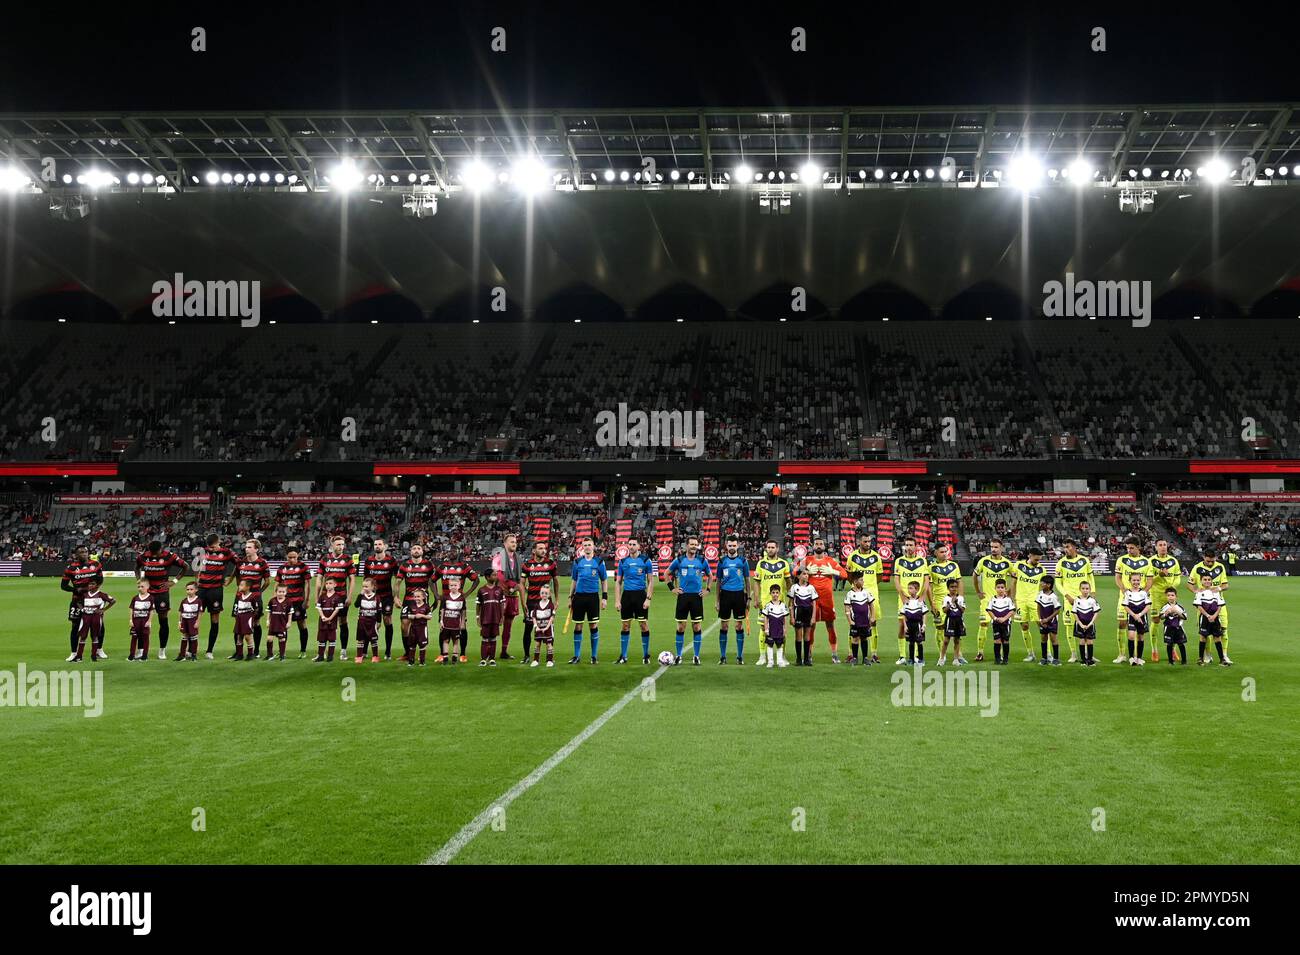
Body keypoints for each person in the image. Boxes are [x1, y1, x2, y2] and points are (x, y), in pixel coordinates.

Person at [136, 540, 188, 660]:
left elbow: (186, 566)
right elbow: (136, 567)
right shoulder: (144, 556)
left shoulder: (169, 556)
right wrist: (139, 579)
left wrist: (173, 581)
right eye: (152, 553)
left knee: (163, 621)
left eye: (156, 553)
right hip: (147, 593)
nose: (154, 556)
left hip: (162, 593)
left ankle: (162, 650)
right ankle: (141, 650)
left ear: (161, 550)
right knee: (141, 622)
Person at [803, 537, 847, 663]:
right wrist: (806, 570)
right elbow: (795, 571)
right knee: (811, 626)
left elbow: (844, 574)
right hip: (811, 600)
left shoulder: (830, 561)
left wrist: (832, 571)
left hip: (827, 599)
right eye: (816, 543)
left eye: (821, 543)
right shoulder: (807, 560)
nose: (818, 545)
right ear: (813, 546)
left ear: (824, 546)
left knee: (830, 626)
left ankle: (834, 654)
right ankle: (809, 655)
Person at [666, 536, 709, 665]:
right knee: (681, 627)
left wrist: (708, 590)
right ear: (686, 545)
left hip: (696, 597)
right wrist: (672, 589)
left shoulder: (702, 560)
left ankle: (696, 656)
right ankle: (679, 656)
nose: (694, 546)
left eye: (696, 544)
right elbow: (666, 573)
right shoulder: (679, 560)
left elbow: (711, 575)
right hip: (683, 597)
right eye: (691, 544)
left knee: (696, 626)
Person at [197, 534, 238, 660]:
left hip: (215, 590)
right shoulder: (203, 551)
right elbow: (198, 567)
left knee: (214, 620)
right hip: (202, 589)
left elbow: (239, 564)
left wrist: (231, 578)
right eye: (210, 547)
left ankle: (209, 651)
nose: (212, 549)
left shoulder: (227, 553)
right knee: (194, 617)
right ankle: (191, 649)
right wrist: (197, 580)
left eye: (213, 547)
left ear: (218, 542)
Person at [844, 534, 883, 662]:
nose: (867, 543)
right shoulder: (852, 557)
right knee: (853, 623)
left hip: (872, 593)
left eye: (869, 541)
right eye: (865, 541)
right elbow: (849, 575)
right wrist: (856, 587)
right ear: (859, 542)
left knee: (873, 622)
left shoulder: (876, 557)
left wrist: (869, 588)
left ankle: (874, 653)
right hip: (856, 595)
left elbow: (879, 577)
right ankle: (851, 654)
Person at [615, 538, 655, 664]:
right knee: (625, 625)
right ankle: (623, 656)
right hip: (626, 596)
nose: (631, 546)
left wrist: (648, 598)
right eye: (630, 544)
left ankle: (645, 656)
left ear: (639, 546)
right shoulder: (623, 562)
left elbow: (651, 581)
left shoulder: (645, 561)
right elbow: (618, 582)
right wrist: (617, 600)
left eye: (634, 544)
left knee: (643, 625)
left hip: (640, 596)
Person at [1113, 537, 1152, 664]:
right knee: (1122, 624)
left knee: (1139, 628)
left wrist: (1142, 594)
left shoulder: (1146, 562)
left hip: (1140, 601)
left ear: (1138, 547)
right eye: (1127, 548)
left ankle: (1138, 656)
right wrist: (1124, 590)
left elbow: (1150, 580)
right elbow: (1118, 578)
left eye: (1131, 548)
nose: (1129, 550)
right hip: (1124, 599)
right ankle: (1122, 654)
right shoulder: (1122, 559)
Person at [972, 539, 1012, 663]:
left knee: (1001, 627)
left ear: (1002, 548)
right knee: (983, 624)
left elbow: (1015, 578)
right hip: (986, 600)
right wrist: (978, 591)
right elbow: (975, 575)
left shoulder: (1007, 563)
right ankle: (980, 652)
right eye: (992, 547)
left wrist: (1009, 593)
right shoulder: (984, 561)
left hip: (1001, 603)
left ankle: (1000, 655)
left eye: (996, 547)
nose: (993, 549)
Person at [1054, 540, 1094, 664]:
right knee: (1069, 626)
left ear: (1074, 547)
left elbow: (1090, 577)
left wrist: (1092, 592)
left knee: (1087, 626)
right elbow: (1058, 582)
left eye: (1068, 547)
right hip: (1069, 601)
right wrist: (1067, 596)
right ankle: (1073, 653)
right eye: (1064, 547)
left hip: (1084, 600)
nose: (1065, 549)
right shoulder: (1061, 563)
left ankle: (1088, 654)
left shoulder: (1084, 561)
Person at [359, 539, 399, 660]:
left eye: (380, 544)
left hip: (386, 596)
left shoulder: (391, 561)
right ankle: (365, 650)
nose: (377, 546)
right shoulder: (368, 561)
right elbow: (366, 579)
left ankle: (388, 651)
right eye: (375, 544)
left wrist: (396, 596)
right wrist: (364, 591)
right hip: (372, 596)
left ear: (385, 546)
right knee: (369, 621)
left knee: (387, 620)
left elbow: (398, 579)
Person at [520, 542, 560, 663]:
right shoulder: (527, 565)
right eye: (540, 548)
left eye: (545, 548)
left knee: (549, 628)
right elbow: (521, 584)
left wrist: (557, 599)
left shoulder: (551, 564)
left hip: (547, 603)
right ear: (534, 550)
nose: (544, 550)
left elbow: (556, 581)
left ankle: (549, 657)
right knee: (528, 628)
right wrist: (523, 602)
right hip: (532, 602)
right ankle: (527, 656)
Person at [1186, 549, 1231, 657]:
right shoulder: (1197, 568)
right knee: (1204, 633)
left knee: (1223, 629)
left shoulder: (1220, 567)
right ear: (1203, 557)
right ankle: (1207, 655)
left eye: (1212, 561)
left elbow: (1226, 585)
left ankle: (1224, 655)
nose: (1210, 563)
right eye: (1208, 561)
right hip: (1203, 606)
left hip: (1218, 604)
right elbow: (1189, 584)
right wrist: (1195, 591)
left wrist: (1219, 588)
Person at [61, 545, 104, 658]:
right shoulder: (70, 568)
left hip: (94, 600)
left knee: (99, 625)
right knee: (75, 626)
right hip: (77, 600)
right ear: (76, 554)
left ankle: (99, 650)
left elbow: (101, 580)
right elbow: (63, 586)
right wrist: (75, 589)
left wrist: (91, 591)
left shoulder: (96, 564)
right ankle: (74, 653)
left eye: (85, 551)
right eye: (81, 552)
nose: (84, 554)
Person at [714, 534, 751, 665]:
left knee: (738, 625)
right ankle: (723, 657)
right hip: (725, 596)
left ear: (738, 546)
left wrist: (749, 598)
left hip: (739, 595)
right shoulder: (721, 561)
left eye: (734, 545)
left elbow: (747, 579)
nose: (732, 547)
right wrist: (717, 600)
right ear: (726, 546)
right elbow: (718, 581)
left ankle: (739, 657)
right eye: (730, 545)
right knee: (724, 626)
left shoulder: (743, 561)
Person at [893, 538, 930, 665]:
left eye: (911, 545)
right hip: (904, 599)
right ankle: (902, 655)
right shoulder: (899, 561)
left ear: (915, 547)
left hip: (918, 599)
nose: (909, 547)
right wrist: (902, 596)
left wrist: (923, 597)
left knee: (917, 627)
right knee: (903, 626)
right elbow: (896, 580)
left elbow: (926, 581)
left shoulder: (922, 561)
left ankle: (915, 656)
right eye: (907, 545)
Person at [318, 536, 356, 658]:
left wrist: (349, 596)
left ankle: (343, 650)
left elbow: (352, 579)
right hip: (326, 597)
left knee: (343, 621)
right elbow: (319, 578)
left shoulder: (348, 559)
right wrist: (318, 595)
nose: (341, 547)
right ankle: (323, 651)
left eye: (342, 544)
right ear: (332, 545)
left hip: (341, 596)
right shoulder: (325, 559)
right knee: (325, 621)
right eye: (338, 544)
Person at [234, 540, 271, 658]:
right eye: (246, 547)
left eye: (249, 547)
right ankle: (238, 652)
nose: (246, 549)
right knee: (238, 622)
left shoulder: (262, 563)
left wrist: (259, 592)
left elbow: (267, 581)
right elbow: (238, 578)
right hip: (241, 598)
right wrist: (240, 590)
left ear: (256, 549)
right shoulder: (241, 562)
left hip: (255, 597)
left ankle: (256, 651)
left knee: (256, 622)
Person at [276, 546, 314, 659]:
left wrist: (307, 600)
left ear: (298, 555)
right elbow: (277, 584)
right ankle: (282, 651)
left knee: (301, 625)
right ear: (286, 556)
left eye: (294, 557)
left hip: (298, 601)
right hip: (284, 601)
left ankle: (303, 650)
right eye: (289, 557)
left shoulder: (303, 567)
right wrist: (275, 599)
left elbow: (307, 584)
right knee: (283, 626)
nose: (292, 559)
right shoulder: (282, 568)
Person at [1011, 547, 1046, 662]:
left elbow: (1045, 587)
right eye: (1036, 560)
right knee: (1024, 626)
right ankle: (1030, 653)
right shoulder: (1019, 566)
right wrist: (1013, 600)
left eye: (1039, 560)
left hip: (1035, 602)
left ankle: (1048, 654)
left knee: (1042, 626)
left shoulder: (1042, 570)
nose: (1038, 562)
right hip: (1020, 601)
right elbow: (1014, 583)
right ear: (1029, 556)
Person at [491, 533, 523, 659]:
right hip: (501, 595)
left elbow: (521, 577)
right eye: (511, 542)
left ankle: (504, 651)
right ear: (505, 544)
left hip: (513, 595)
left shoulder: (518, 559)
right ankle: (489, 651)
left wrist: (517, 586)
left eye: (515, 541)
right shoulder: (499, 557)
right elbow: (498, 575)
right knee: (495, 623)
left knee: (508, 625)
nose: (514, 543)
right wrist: (512, 585)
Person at [72, 581, 116, 662]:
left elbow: (113, 601)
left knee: (94, 636)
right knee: (83, 636)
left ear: (97, 586)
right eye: (89, 584)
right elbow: (78, 602)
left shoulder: (102, 595)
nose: (90, 586)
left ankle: (94, 656)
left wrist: (103, 610)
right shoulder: (85, 595)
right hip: (85, 617)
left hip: (96, 617)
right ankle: (79, 657)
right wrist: (82, 609)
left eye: (92, 584)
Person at [1193, 573, 1230, 666]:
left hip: (1215, 618)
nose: (1207, 581)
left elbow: (1220, 605)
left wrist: (1214, 616)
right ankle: (1200, 658)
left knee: (1217, 638)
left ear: (1211, 581)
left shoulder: (1216, 591)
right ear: (1201, 581)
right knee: (1203, 637)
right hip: (1205, 618)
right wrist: (1207, 615)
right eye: (1205, 579)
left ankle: (1222, 659)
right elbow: (1199, 606)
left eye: (1209, 579)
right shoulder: (1199, 592)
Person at [843, 572, 876, 666]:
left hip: (865, 621)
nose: (863, 581)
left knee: (864, 638)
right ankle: (854, 658)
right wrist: (850, 621)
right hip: (855, 621)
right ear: (855, 581)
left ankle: (865, 658)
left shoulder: (866, 593)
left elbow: (871, 605)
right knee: (855, 639)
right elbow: (847, 608)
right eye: (861, 580)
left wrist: (872, 616)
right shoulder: (849, 594)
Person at [1122, 572, 1152, 667]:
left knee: (1140, 637)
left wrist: (1139, 615)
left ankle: (1139, 658)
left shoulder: (1144, 593)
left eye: (1138, 580)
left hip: (1142, 617)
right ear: (1130, 581)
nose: (1136, 582)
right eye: (1134, 580)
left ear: (1140, 581)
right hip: (1131, 617)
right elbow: (1126, 606)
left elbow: (1148, 606)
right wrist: (1134, 615)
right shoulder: (1127, 593)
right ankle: (1131, 658)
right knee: (1131, 636)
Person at [314, 577, 347, 662]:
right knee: (321, 639)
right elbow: (318, 607)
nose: (328, 585)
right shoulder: (322, 596)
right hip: (322, 621)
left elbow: (337, 609)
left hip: (332, 621)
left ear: (335, 585)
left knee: (332, 639)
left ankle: (330, 656)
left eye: (330, 583)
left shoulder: (337, 597)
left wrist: (330, 618)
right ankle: (320, 656)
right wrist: (323, 617)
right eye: (326, 583)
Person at [476, 570, 506, 666]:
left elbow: (502, 604)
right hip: (485, 618)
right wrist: (477, 617)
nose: (496, 577)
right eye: (494, 575)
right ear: (487, 577)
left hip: (496, 618)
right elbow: (478, 605)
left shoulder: (499, 590)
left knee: (493, 638)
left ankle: (492, 659)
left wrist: (502, 616)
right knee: (485, 639)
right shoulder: (481, 590)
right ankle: (483, 659)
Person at [437, 579, 468, 665]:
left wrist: (462, 623)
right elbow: (442, 610)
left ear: (459, 586)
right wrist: (441, 621)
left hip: (456, 624)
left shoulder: (462, 598)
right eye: (451, 585)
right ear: (449, 586)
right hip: (446, 623)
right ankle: (445, 657)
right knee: (445, 640)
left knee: (456, 641)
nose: (453, 587)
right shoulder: (445, 597)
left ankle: (454, 657)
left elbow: (463, 611)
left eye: (455, 585)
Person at [985, 579, 1016, 665]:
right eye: (998, 587)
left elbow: (1012, 611)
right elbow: (989, 610)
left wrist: (1004, 618)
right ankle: (997, 658)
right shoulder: (992, 600)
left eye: (1002, 587)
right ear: (995, 588)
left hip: (1006, 624)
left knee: (1005, 640)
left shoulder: (1008, 600)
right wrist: (995, 618)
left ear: (1005, 589)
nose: (1000, 589)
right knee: (997, 641)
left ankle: (1005, 658)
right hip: (996, 624)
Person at [759, 584, 790, 669]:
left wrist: (785, 630)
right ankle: (770, 661)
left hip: (780, 629)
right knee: (770, 645)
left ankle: (780, 661)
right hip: (771, 629)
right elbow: (765, 618)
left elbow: (785, 619)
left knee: (779, 645)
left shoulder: (783, 606)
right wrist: (766, 629)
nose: (775, 594)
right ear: (770, 593)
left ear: (779, 593)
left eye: (777, 592)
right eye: (773, 592)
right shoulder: (768, 606)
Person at [1034, 574, 1063, 666]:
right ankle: (1044, 658)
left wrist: (1048, 619)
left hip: (1052, 621)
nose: (1041, 584)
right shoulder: (1040, 594)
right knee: (1043, 638)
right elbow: (1038, 607)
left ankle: (1056, 659)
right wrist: (1040, 619)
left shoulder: (1053, 596)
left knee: (1053, 638)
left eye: (1043, 583)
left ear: (1049, 585)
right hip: (1043, 621)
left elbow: (1057, 610)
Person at [353, 577, 383, 663]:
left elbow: (379, 611)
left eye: (366, 586)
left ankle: (375, 656)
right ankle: (359, 656)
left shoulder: (377, 597)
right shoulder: (361, 596)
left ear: (373, 587)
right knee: (360, 639)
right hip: (362, 621)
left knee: (373, 639)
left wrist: (379, 622)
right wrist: (359, 595)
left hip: (372, 621)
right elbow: (356, 605)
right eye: (363, 586)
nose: (364, 588)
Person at [1071, 580, 1101, 667]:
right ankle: (1083, 660)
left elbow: (1096, 612)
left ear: (1090, 589)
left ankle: (1090, 660)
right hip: (1080, 624)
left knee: (1090, 641)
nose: (1085, 590)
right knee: (1082, 641)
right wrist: (1080, 623)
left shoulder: (1092, 600)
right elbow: (1074, 612)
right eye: (1083, 588)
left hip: (1090, 624)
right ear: (1080, 589)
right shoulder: (1077, 600)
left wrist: (1091, 623)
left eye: (1087, 588)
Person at [938, 578, 967, 667]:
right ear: (948, 588)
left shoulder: (961, 598)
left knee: (957, 640)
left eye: (955, 587)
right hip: (950, 620)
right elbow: (944, 610)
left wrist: (957, 603)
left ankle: (956, 659)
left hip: (958, 620)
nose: (954, 589)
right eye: (952, 587)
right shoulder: (946, 598)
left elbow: (962, 610)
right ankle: (941, 658)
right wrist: (950, 603)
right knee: (946, 640)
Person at [126, 579, 157, 662]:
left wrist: (149, 621)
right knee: (134, 637)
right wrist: (131, 620)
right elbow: (131, 609)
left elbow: (151, 611)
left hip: (145, 621)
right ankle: (131, 655)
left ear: (147, 587)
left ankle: (144, 656)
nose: (140, 588)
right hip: (136, 621)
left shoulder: (151, 598)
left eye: (142, 586)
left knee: (145, 638)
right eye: (138, 587)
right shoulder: (135, 598)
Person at [1156, 587, 1188, 665]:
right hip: (1168, 628)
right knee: (1169, 644)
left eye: (1172, 595)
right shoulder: (1165, 607)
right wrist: (1166, 613)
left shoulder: (1180, 607)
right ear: (1166, 597)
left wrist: (1177, 612)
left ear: (1176, 596)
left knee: (1181, 643)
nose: (1170, 597)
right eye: (1169, 595)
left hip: (1178, 628)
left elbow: (1185, 617)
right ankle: (1171, 661)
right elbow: (1161, 617)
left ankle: (1184, 661)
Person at [899, 581, 929, 666]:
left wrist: (924, 624)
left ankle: (921, 659)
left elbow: (925, 614)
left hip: (918, 624)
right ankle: (911, 659)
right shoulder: (906, 601)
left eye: (911, 588)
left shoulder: (920, 601)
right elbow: (904, 615)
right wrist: (905, 626)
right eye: (908, 588)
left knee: (919, 642)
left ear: (917, 590)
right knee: (911, 642)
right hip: (909, 624)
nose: (909, 590)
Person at [529, 584, 558, 668]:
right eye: (542, 593)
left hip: (547, 628)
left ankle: (550, 660)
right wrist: (536, 626)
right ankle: (535, 660)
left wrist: (547, 627)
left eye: (546, 593)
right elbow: (534, 616)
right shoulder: (537, 605)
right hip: (539, 629)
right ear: (540, 594)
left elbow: (552, 618)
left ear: (549, 594)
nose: (544, 595)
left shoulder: (550, 605)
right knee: (537, 644)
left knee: (549, 644)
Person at [263, 584, 292, 661]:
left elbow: (290, 613)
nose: (281, 593)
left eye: (283, 592)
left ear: (286, 592)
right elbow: (269, 611)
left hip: (282, 624)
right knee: (269, 639)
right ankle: (269, 655)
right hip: (273, 623)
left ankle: (282, 656)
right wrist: (267, 620)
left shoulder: (288, 602)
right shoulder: (272, 600)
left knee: (282, 639)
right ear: (276, 592)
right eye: (279, 591)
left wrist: (289, 622)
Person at [232, 580, 259, 661]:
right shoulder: (239, 596)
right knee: (239, 636)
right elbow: (237, 606)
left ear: (247, 587)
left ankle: (250, 654)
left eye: (241, 585)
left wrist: (252, 617)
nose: (239, 586)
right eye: (239, 585)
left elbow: (256, 608)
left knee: (248, 636)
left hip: (247, 618)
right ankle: (239, 654)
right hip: (239, 617)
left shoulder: (252, 597)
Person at [406, 588, 433, 667]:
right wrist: (414, 616)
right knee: (412, 645)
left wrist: (422, 616)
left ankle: (422, 662)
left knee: (422, 645)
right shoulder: (411, 606)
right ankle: (411, 662)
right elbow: (408, 615)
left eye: (418, 596)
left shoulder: (426, 607)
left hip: (422, 628)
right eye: (415, 597)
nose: (416, 598)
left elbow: (430, 617)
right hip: (413, 628)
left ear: (423, 597)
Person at [176, 581, 203, 661]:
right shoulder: (184, 601)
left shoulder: (198, 601)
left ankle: (193, 655)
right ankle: (182, 655)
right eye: (187, 589)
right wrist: (179, 622)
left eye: (191, 589)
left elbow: (200, 612)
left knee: (193, 638)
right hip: (184, 621)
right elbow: (180, 612)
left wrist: (198, 622)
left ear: (196, 590)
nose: (189, 591)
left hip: (192, 621)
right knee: (184, 637)